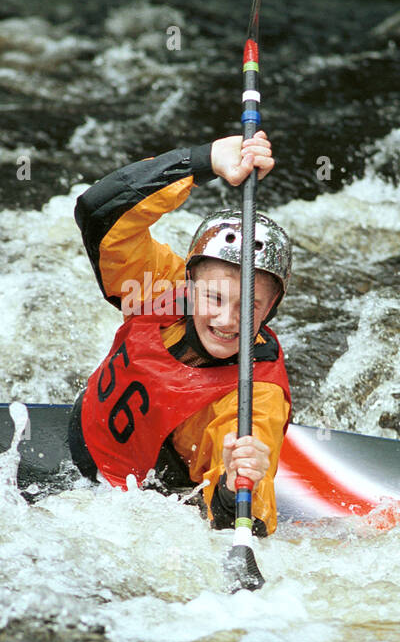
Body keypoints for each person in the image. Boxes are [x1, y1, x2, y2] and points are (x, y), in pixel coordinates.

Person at [69, 133, 293, 535]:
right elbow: (98, 212)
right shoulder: (160, 288)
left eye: (251, 306)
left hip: (141, 505)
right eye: (213, 297)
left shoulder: (256, 398)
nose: (228, 320)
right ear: (189, 284)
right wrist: (203, 160)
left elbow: (246, 523)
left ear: (271, 308)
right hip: (81, 436)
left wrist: (236, 482)